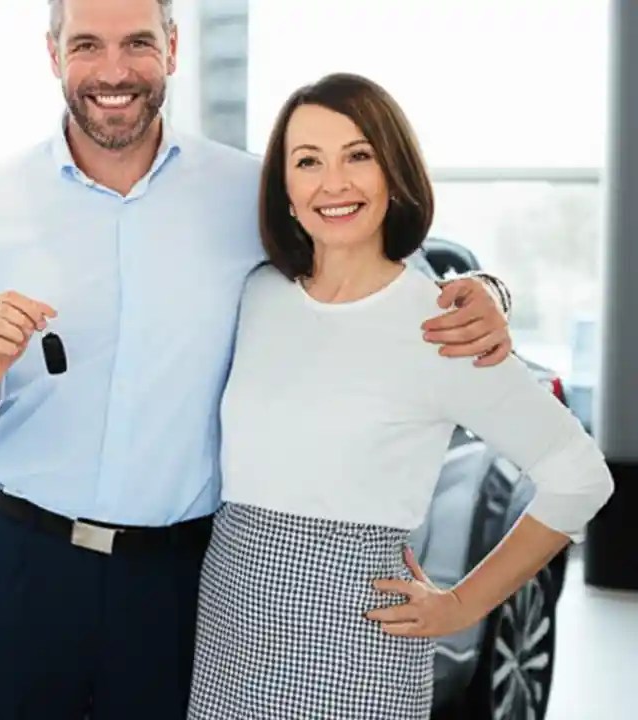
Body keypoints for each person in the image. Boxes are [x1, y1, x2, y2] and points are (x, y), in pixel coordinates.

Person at [0, 1, 512, 717]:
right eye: (88, 44)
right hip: (22, 571)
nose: (115, 70)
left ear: (174, 48)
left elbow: (381, 268)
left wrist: (488, 290)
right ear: (54, 53)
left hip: (184, 581)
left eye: (138, 43)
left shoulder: (250, 194)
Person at [183, 72, 615, 720]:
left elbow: (580, 479)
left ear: (394, 172)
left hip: (363, 640)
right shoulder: (256, 295)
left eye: (358, 155)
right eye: (308, 162)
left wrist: (463, 604)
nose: (334, 182)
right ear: (286, 192)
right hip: (231, 628)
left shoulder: (440, 327)